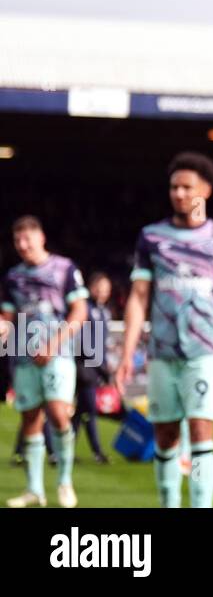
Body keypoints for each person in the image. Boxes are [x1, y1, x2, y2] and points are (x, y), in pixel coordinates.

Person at [117, 152, 213, 508]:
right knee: (166, 435)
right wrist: (127, 352)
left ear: (206, 190)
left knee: (202, 433)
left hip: (205, 351)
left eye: (187, 187)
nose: (179, 193)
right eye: (174, 187)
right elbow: (139, 297)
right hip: (162, 352)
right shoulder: (151, 237)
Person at [2, 216, 88, 508]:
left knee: (58, 413)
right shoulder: (13, 277)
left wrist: (53, 344)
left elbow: (79, 312)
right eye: (17, 241)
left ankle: (64, 481)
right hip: (25, 357)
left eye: (27, 239)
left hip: (58, 354)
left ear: (41, 238)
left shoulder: (64, 268)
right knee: (29, 419)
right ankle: (34, 489)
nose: (23, 245)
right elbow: (8, 319)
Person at [72, 271, 114, 465]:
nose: (102, 292)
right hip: (84, 366)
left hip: (95, 367)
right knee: (88, 411)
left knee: (80, 413)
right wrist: (103, 369)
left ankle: (62, 451)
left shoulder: (104, 311)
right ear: (91, 288)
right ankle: (97, 452)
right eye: (99, 288)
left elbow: (101, 344)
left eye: (106, 289)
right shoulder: (86, 309)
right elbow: (84, 343)